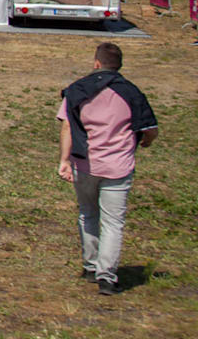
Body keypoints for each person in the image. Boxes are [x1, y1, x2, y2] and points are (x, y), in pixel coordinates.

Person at [57, 42, 157, 296]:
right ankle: (107, 276)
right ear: (119, 66)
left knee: (87, 213)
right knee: (113, 222)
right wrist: (146, 141)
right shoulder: (132, 93)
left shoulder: (77, 90)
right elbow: (150, 128)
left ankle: (91, 265)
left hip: (85, 163)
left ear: (96, 63)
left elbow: (67, 126)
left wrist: (64, 160)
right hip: (118, 167)